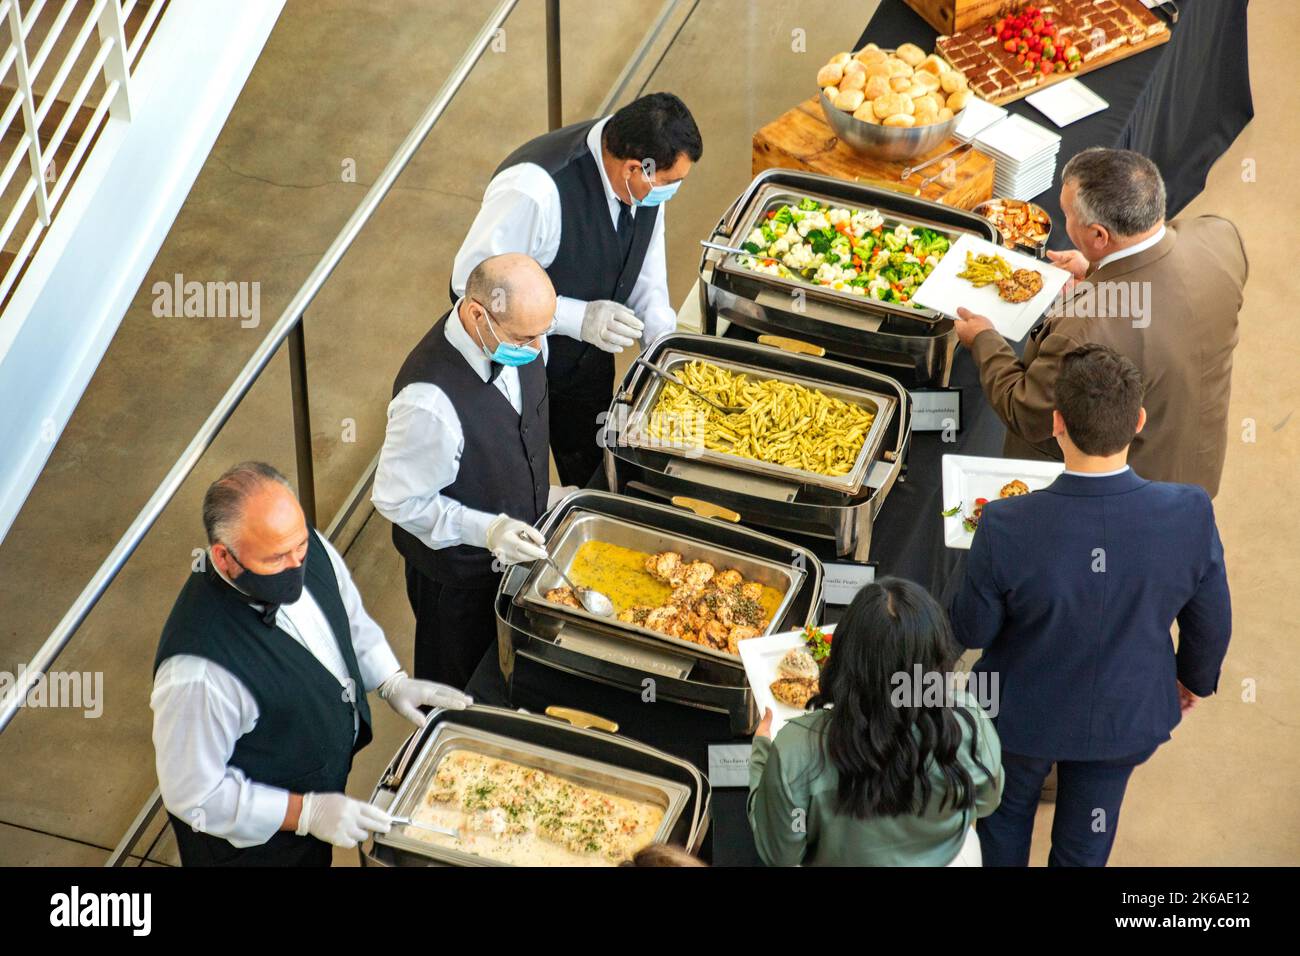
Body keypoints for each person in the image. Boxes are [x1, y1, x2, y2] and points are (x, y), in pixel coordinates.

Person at [949, 345, 1233, 866]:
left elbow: (973, 628)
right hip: (1124, 714)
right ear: (1139, 421)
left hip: (1019, 714)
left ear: (1057, 423)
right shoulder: (1190, 512)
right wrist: (1191, 678)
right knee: (1086, 840)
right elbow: (1211, 621)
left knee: (1005, 818)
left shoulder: (1004, 523)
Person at [151, 462, 471, 866]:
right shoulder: (198, 673)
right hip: (253, 852)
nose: (296, 564)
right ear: (224, 557)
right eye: (276, 559)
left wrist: (391, 681)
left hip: (313, 801)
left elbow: (348, 618)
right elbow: (194, 794)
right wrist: (304, 813)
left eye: (299, 546)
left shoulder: (302, 544)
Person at [954, 147, 1247, 497]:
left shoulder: (1083, 331)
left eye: (1067, 215)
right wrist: (1098, 269)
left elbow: (1027, 411)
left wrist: (984, 338)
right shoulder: (1220, 236)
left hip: (1130, 490)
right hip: (1197, 461)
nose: (1064, 222)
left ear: (1099, 236)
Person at [451, 92, 703, 486]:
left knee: (591, 463)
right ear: (635, 168)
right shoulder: (535, 191)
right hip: (517, 367)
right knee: (518, 480)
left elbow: (647, 262)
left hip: (587, 362)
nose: (672, 192)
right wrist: (574, 318)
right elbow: (471, 285)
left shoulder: (645, 182)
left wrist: (661, 340)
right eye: (671, 183)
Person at [373, 254, 559, 688]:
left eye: (542, 334)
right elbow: (397, 500)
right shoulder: (428, 403)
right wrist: (488, 530)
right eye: (525, 337)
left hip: (516, 559)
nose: (536, 349)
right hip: (456, 585)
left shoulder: (517, 336)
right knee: (463, 686)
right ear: (478, 313)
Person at [748, 578, 1003, 866]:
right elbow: (986, 800)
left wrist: (761, 755)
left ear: (844, 653)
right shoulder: (968, 720)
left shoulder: (795, 749)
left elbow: (781, 853)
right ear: (936, 655)